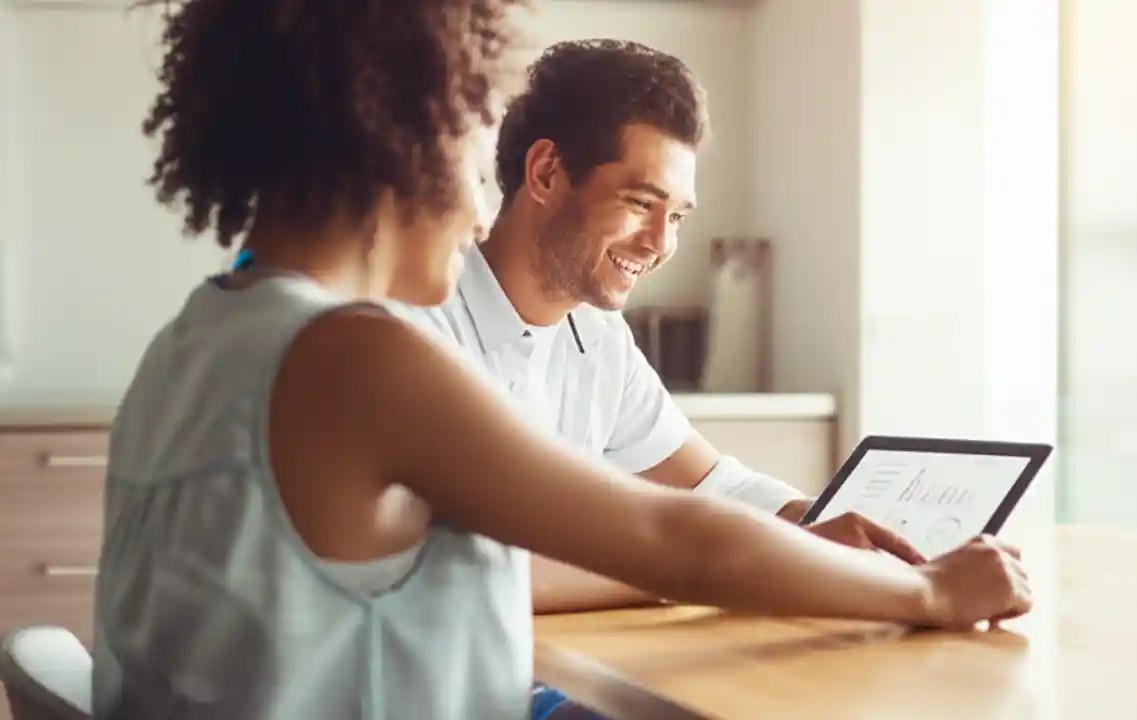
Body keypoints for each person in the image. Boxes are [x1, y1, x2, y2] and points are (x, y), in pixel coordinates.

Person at [93, 3, 1032, 720]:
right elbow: (679, 539)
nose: (474, 208)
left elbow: (698, 496)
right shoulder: (356, 354)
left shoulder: (196, 339)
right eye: (474, 148)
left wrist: (813, 527)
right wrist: (929, 589)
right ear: (404, 135)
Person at [419, 39, 926, 617]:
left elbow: (718, 487)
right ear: (546, 172)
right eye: (640, 203)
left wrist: (821, 529)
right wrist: (706, 565)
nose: (662, 244)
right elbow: (473, 570)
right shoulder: (420, 324)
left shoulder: (598, 339)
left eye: (677, 216)